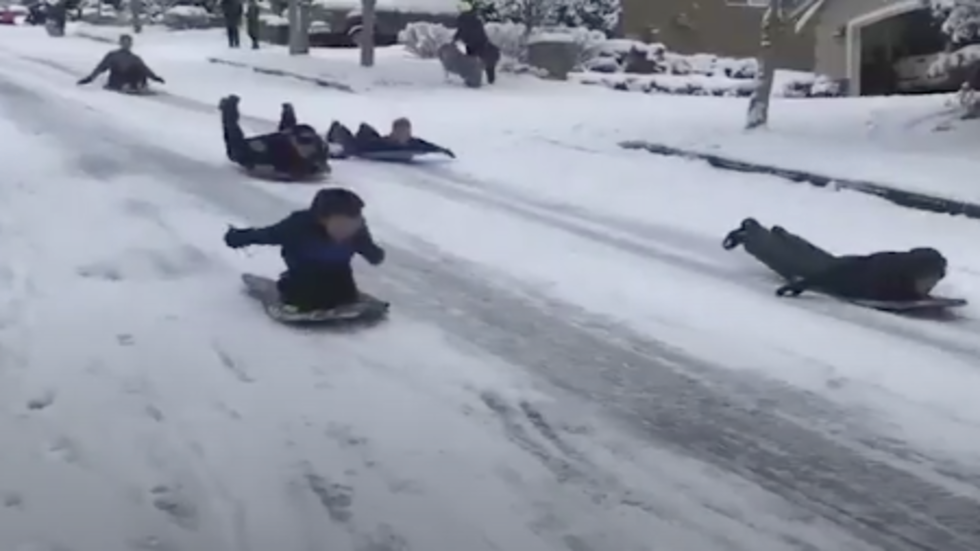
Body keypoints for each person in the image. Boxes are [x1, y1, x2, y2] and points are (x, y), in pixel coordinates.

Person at [223, 187, 385, 313]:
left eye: (353, 224)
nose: (347, 230)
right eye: (341, 224)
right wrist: (239, 237)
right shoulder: (298, 225)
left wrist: (374, 254)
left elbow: (366, 245)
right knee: (306, 299)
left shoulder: (357, 228)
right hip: (304, 270)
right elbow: (268, 234)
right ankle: (288, 285)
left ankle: (338, 291)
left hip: (338, 270)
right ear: (323, 219)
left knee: (344, 296)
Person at [723, 217, 948, 302]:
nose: (930, 287)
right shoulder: (884, 274)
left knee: (814, 255)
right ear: (915, 273)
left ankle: (783, 237)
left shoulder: (900, 269)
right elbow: (842, 272)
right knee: (791, 263)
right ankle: (750, 237)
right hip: (840, 274)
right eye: (928, 282)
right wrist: (802, 285)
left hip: (845, 266)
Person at [219, 94, 329, 180]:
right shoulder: (312, 156)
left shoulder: (286, 158)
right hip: (283, 150)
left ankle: (228, 111)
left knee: (237, 151)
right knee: (239, 150)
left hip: (277, 154)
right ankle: (229, 111)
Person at [326, 118, 454, 160]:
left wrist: (443, 150)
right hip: (365, 142)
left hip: (371, 140)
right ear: (394, 132)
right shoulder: (383, 144)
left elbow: (427, 146)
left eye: (407, 131)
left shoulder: (412, 142)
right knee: (350, 137)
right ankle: (335, 129)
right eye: (401, 132)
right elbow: (358, 150)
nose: (404, 135)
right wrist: (337, 155)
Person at [77, 34, 165, 91]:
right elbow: (101, 68)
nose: (127, 45)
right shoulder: (113, 55)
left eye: (128, 43)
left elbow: (145, 69)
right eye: (124, 43)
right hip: (117, 79)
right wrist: (90, 78)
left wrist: (155, 78)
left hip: (130, 78)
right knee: (119, 70)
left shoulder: (134, 57)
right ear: (121, 44)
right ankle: (124, 85)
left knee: (137, 68)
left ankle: (138, 85)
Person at [453, 1, 499, 84]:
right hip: (482, 45)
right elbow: (480, 33)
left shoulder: (462, 20)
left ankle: (472, 79)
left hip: (472, 47)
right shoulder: (476, 20)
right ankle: (490, 80)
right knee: (488, 61)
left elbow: (461, 33)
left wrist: (455, 40)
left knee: (472, 63)